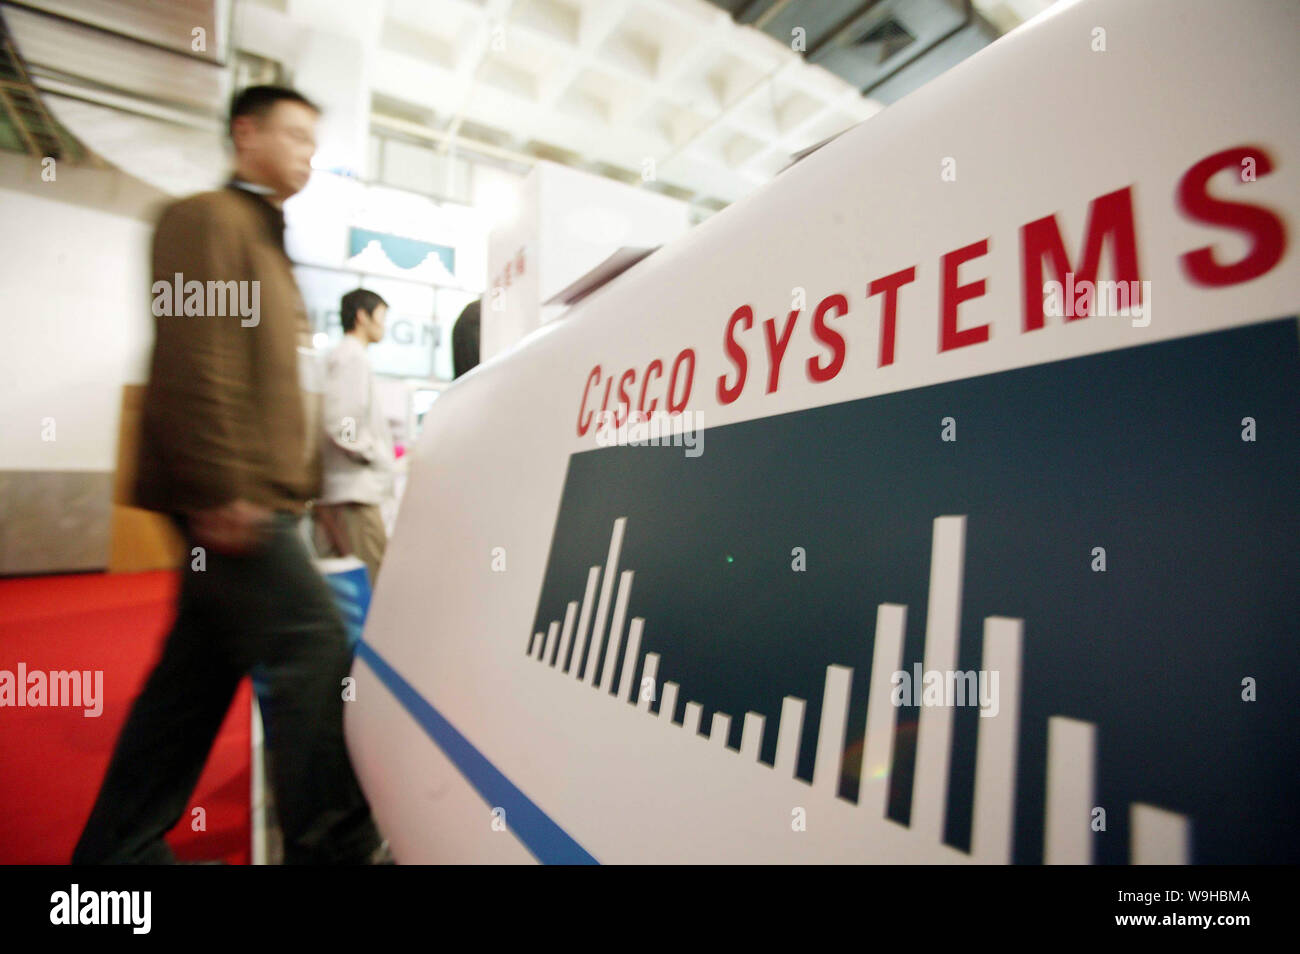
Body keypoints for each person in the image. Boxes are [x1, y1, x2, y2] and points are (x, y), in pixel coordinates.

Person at [72, 85, 385, 865]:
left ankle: (116, 855)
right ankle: (335, 849)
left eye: (316, 141)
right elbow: (196, 355)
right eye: (294, 136)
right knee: (314, 649)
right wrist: (220, 489)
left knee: (193, 683)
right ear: (245, 134)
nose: (309, 154)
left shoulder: (263, 238)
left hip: (258, 498)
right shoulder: (206, 220)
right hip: (235, 499)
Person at [313, 289, 396, 583]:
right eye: (382, 317)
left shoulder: (344, 355)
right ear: (362, 316)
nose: (384, 326)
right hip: (354, 496)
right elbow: (342, 424)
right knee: (373, 589)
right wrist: (371, 453)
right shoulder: (353, 357)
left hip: (344, 492)